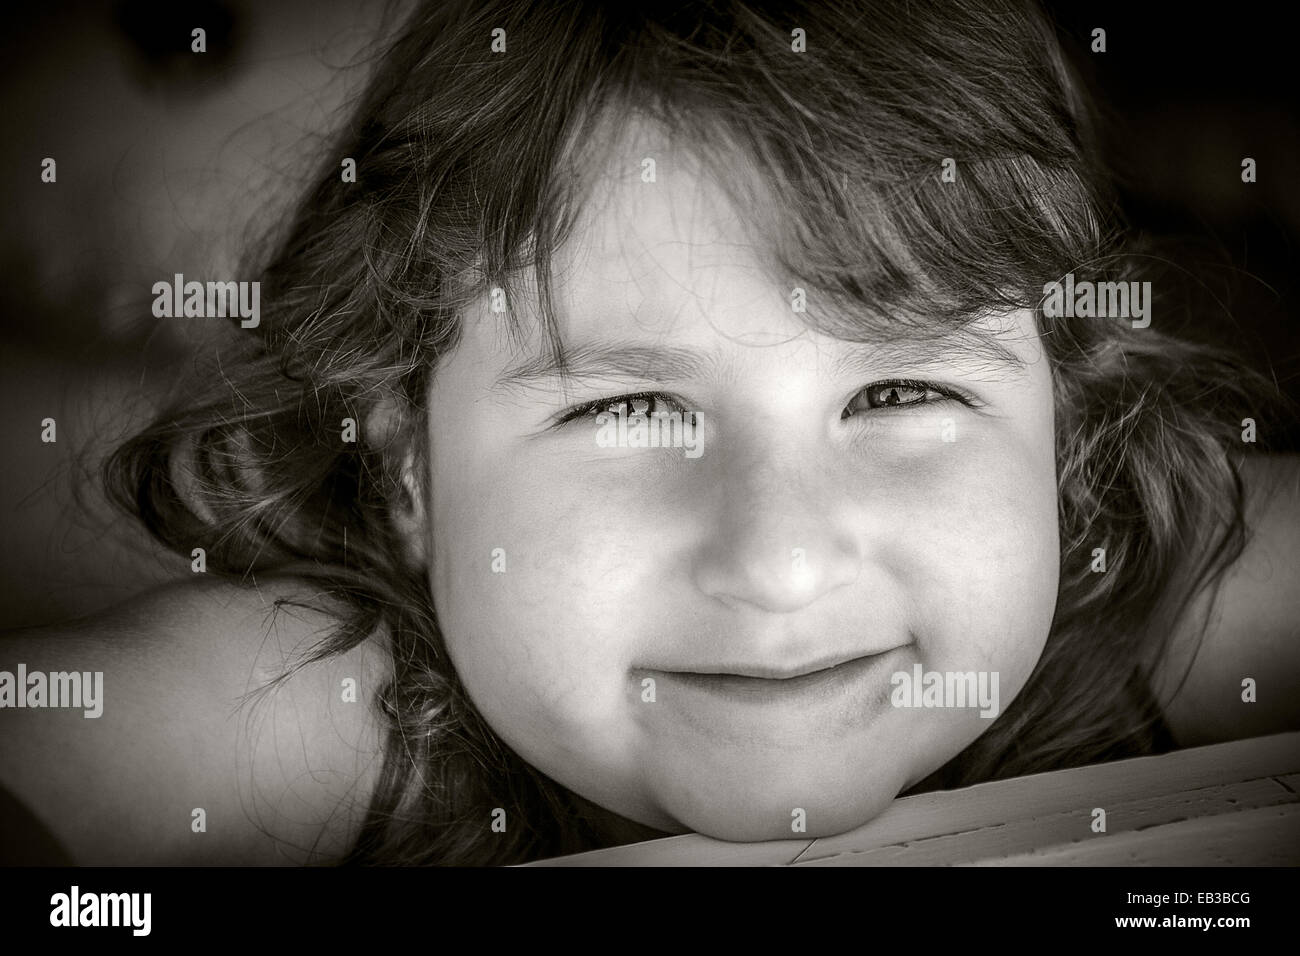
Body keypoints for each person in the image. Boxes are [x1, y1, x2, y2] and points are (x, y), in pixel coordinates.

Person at [2, 0, 1298, 866]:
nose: (781, 564)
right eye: (628, 407)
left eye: (903, 396)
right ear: (409, 471)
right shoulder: (373, 699)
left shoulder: (1147, 592)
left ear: (1064, 442)